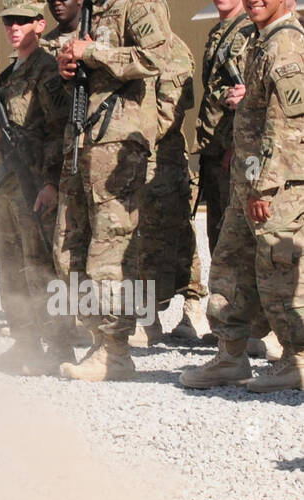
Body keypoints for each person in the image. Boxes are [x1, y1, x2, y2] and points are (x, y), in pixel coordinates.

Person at [180, 0, 304, 392]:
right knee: (230, 266)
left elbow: (287, 128)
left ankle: (297, 358)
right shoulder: (261, 40)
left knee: (279, 272)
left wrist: (264, 186)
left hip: (274, 188)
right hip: (248, 183)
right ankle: (230, 356)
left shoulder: (285, 44)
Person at [53, 0, 169, 381]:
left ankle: (115, 349)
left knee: (111, 248)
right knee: (69, 245)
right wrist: (68, 68)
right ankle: (96, 337)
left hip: (117, 146)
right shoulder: (88, 10)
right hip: (82, 141)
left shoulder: (134, 6)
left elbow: (155, 58)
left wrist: (94, 52)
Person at [0, 1, 69, 372]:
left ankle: (60, 346)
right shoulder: (10, 72)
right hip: (7, 186)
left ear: (40, 25)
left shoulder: (48, 69)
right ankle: (25, 343)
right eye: (9, 22)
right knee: (10, 263)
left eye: (23, 21)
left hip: (35, 184)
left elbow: (60, 129)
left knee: (42, 266)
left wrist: (52, 181)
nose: (14, 28)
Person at [134, 27, 207, 346]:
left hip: (162, 157)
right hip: (130, 157)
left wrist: (131, 139)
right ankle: (148, 317)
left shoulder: (171, 48)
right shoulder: (123, 45)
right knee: (139, 239)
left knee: (176, 234)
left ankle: (192, 308)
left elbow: (170, 111)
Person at [195, 1, 255, 252]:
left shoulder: (248, 32)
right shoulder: (218, 33)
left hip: (230, 152)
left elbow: (250, 97)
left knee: (232, 239)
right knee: (216, 233)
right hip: (213, 148)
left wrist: (235, 146)